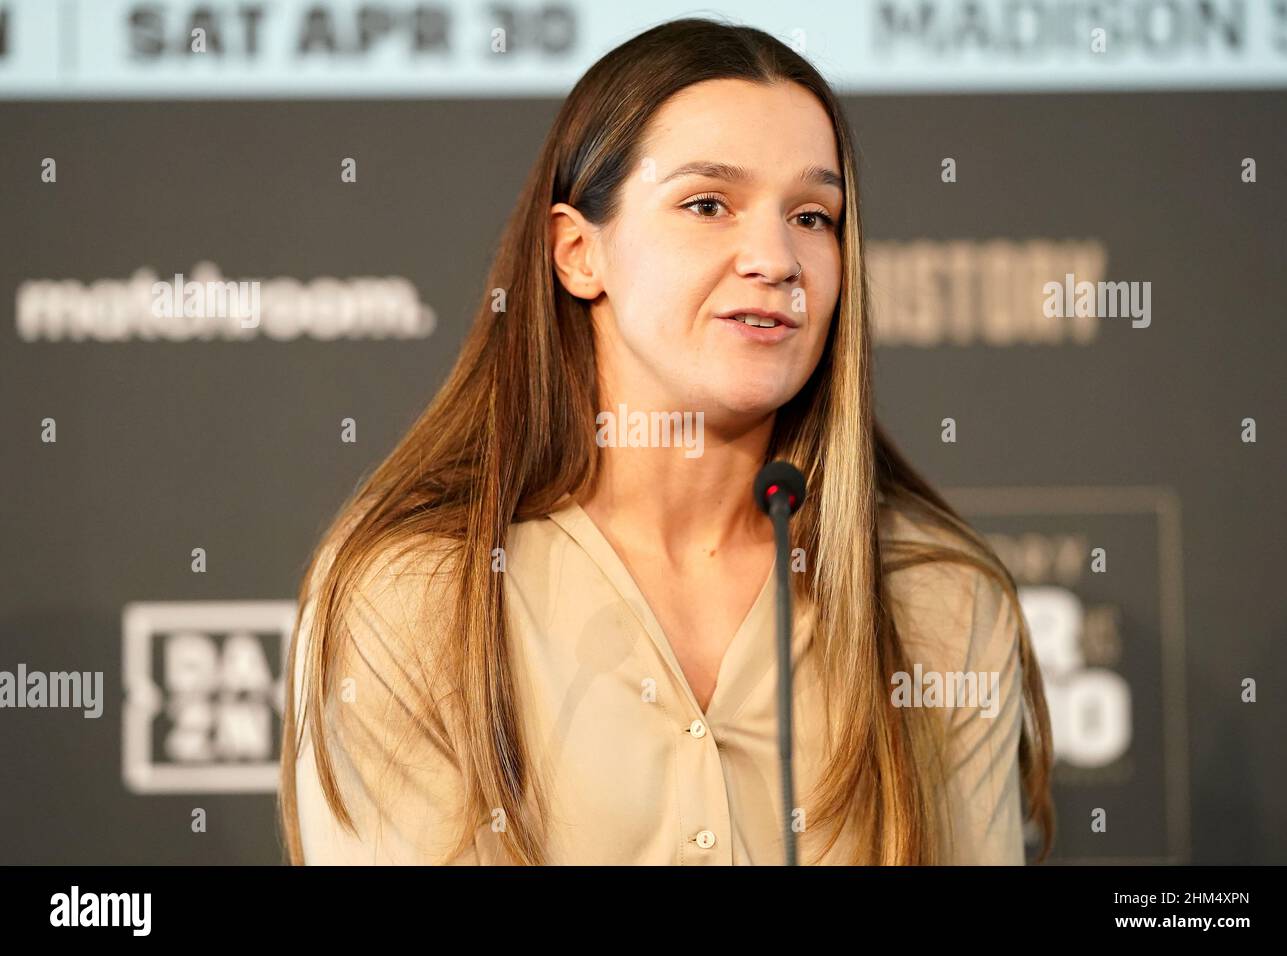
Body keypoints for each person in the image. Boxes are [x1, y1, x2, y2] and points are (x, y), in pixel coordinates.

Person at [278, 16, 1054, 866]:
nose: (775, 257)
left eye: (812, 215)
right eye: (707, 204)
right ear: (578, 253)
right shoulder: (418, 592)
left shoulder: (936, 599)